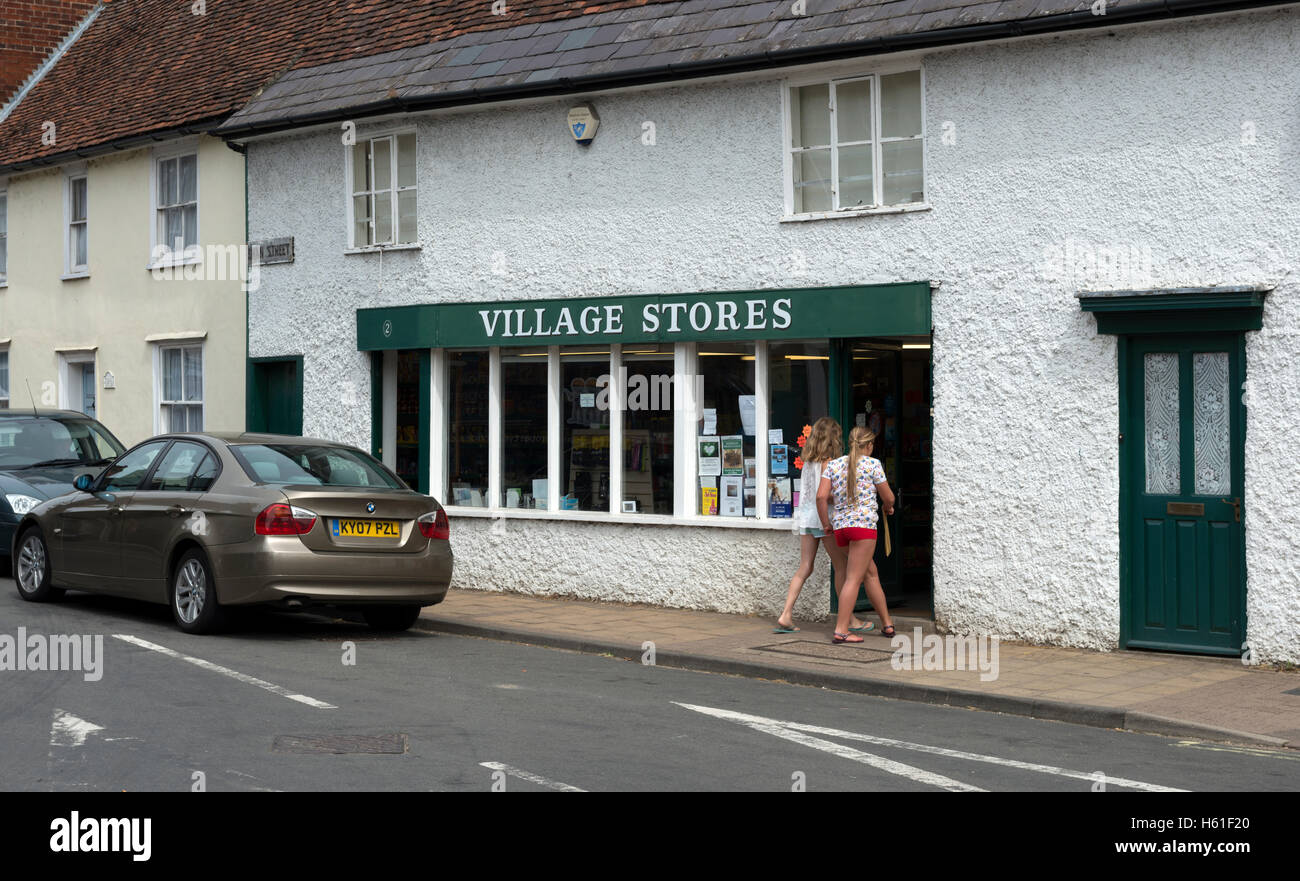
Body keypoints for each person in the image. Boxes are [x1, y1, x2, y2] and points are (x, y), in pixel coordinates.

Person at [773, 417, 871, 634]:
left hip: (806, 518)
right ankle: (850, 619)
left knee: (805, 567)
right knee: (841, 567)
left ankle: (786, 614)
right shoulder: (830, 463)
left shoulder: (808, 462)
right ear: (833, 438)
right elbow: (825, 497)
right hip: (824, 519)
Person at [817, 426, 896, 644]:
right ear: (869, 445)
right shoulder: (873, 464)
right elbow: (888, 496)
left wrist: (826, 524)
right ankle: (842, 630)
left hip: (841, 529)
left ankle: (887, 624)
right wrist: (889, 507)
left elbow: (821, 497)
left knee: (870, 573)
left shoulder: (832, 465)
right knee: (854, 578)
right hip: (863, 528)